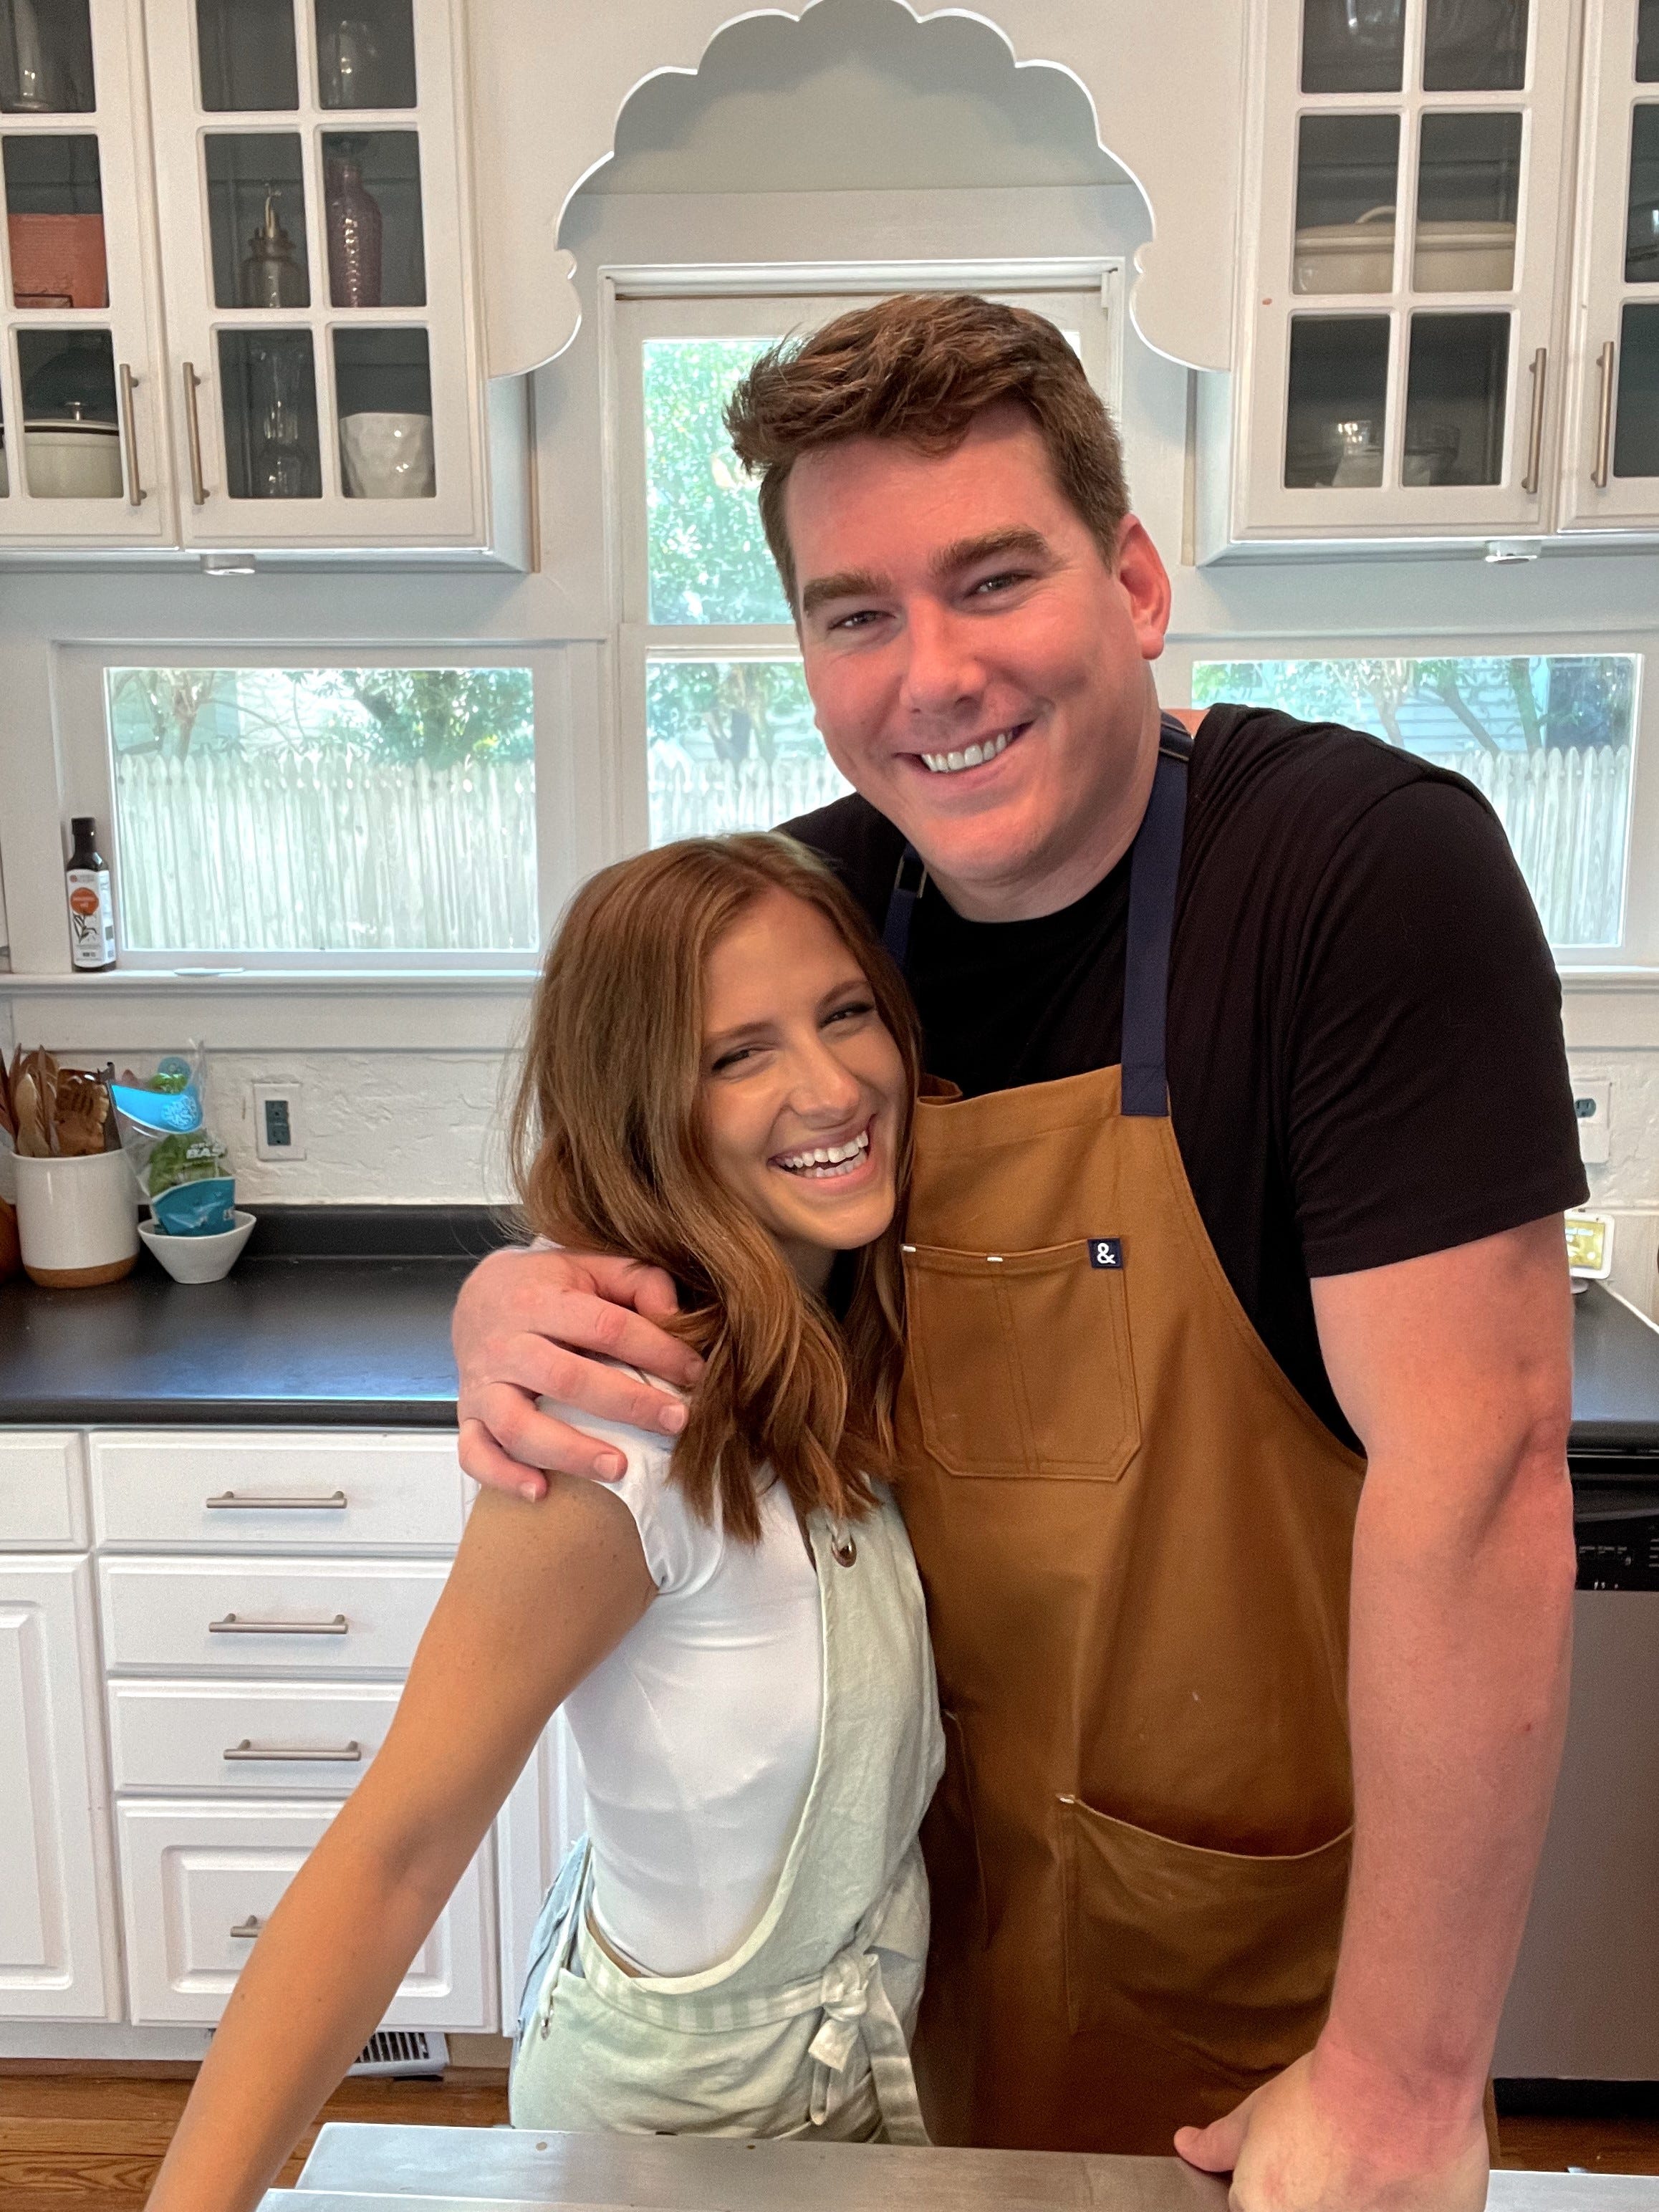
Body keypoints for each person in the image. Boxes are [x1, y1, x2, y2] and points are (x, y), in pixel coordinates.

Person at [451, 296, 1585, 2209]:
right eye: (856, 613)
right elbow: (625, 1208)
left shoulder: (1355, 879)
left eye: (993, 579)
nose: (935, 675)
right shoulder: (814, 920)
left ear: (1131, 581)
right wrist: (510, 1295)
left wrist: (1401, 2081)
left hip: (1249, 2011)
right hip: (884, 1994)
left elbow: (1478, 1474)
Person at [145, 836, 945, 2212]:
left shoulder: (859, 1344)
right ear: (641, 1109)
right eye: (736, 1055)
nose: (829, 1087)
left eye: (846, 1012)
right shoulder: (622, 1433)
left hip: (860, 2087)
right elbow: (396, 1852)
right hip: (661, 2140)